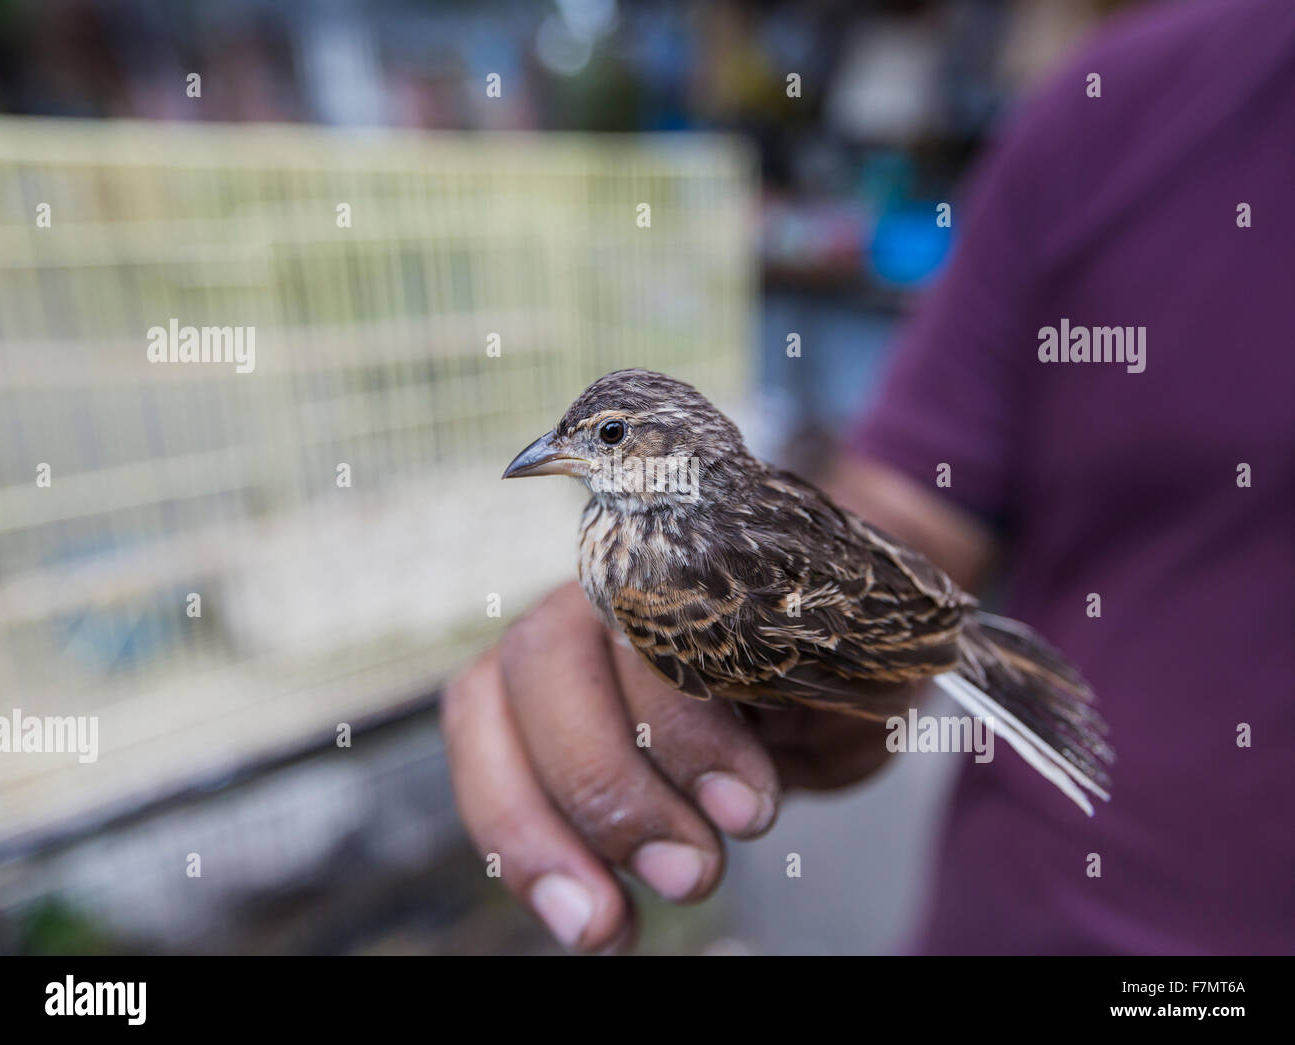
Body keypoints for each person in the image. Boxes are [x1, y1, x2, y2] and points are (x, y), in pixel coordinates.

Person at [443, 0, 1295, 954]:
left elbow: (840, 599)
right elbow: (895, 517)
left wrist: (908, 656)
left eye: (603, 437)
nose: (564, 456)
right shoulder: (1124, 106)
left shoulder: (657, 584)